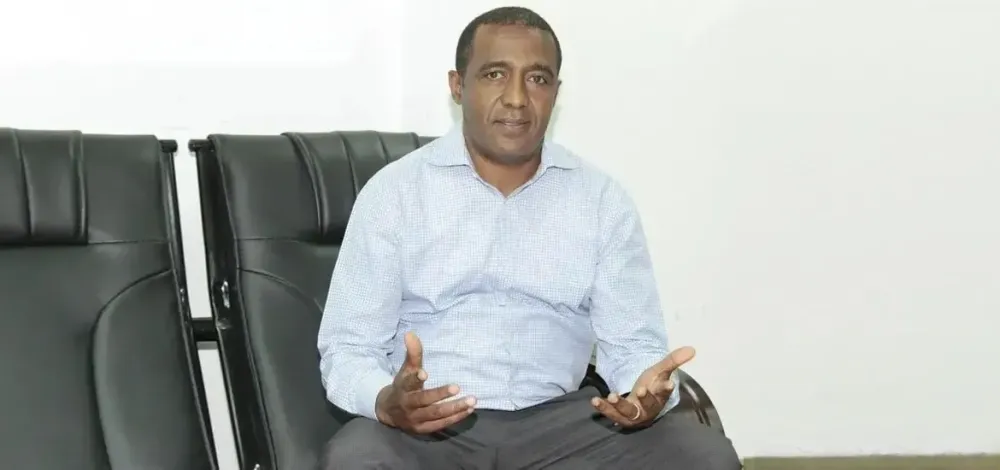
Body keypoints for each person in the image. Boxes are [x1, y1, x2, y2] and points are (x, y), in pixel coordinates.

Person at [316, 6, 741, 470]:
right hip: (431, 427)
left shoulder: (601, 199)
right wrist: (386, 401)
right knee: (358, 458)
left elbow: (634, 346)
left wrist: (645, 393)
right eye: (495, 74)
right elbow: (348, 348)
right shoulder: (394, 193)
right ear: (458, 86)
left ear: (556, 92)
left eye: (537, 79)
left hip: (565, 427)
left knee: (702, 456)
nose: (517, 98)